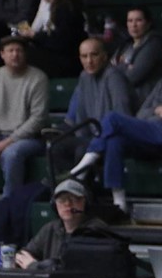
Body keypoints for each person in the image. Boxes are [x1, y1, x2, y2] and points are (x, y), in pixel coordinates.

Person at [70, 38, 162, 213]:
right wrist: (159, 109)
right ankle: (119, 199)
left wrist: (157, 110)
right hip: (148, 135)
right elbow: (142, 113)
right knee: (114, 140)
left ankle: (85, 164)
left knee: (113, 118)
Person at [0, 36, 48, 201]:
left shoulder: (38, 78)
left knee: (11, 154)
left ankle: (9, 204)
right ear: (2, 54)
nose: (15, 55)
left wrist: (6, 144)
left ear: (25, 54)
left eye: (19, 50)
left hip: (29, 139)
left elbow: (37, 119)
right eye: (10, 51)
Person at [49, 38, 134, 176]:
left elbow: (123, 117)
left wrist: (93, 141)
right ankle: (66, 190)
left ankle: (83, 193)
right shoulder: (84, 77)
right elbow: (81, 117)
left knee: (82, 150)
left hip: (111, 138)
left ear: (104, 56)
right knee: (55, 147)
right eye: (84, 56)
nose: (89, 61)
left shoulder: (114, 77)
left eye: (94, 55)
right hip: (91, 136)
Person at [13, 178, 106, 270]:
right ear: (55, 205)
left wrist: (34, 266)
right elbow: (24, 254)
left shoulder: (96, 229)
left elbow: (71, 269)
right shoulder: (50, 228)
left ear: (84, 203)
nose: (68, 204)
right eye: (62, 200)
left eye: (73, 199)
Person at [21, 0, 86, 78]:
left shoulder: (64, 9)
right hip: (61, 55)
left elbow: (61, 40)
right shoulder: (60, 5)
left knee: (22, 55)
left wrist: (35, 36)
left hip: (66, 60)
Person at [110, 6, 162, 107]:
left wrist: (120, 66)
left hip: (143, 99)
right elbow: (109, 69)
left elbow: (132, 77)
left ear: (148, 24)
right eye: (130, 21)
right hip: (121, 93)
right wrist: (126, 66)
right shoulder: (126, 45)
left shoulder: (153, 44)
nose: (134, 25)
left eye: (138, 20)